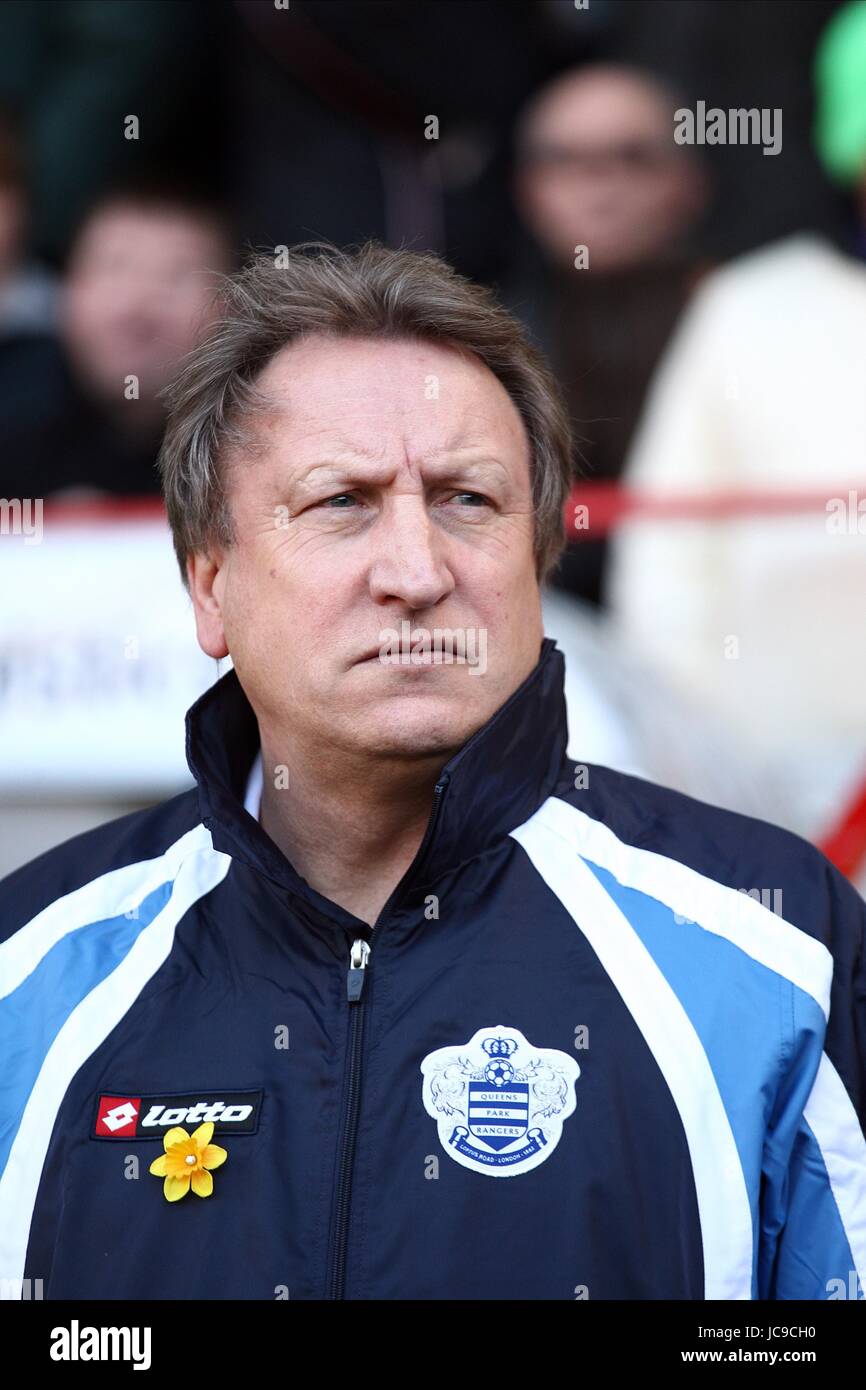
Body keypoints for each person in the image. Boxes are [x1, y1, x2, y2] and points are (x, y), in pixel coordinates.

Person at [0, 242, 862, 1301]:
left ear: (536, 559)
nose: (415, 572)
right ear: (208, 581)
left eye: (465, 501)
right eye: (341, 503)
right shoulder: (28, 978)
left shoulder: (778, 954)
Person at [504, 63, 711, 604]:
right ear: (526, 188)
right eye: (566, 160)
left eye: (632, 157)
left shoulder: (751, 326)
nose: (600, 186)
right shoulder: (479, 336)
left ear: (690, 181)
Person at [0, 176, 235, 500]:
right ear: (67, 288)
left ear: (229, 309)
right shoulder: (11, 396)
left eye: (177, 276)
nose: (138, 303)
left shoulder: (253, 438)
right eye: (115, 268)